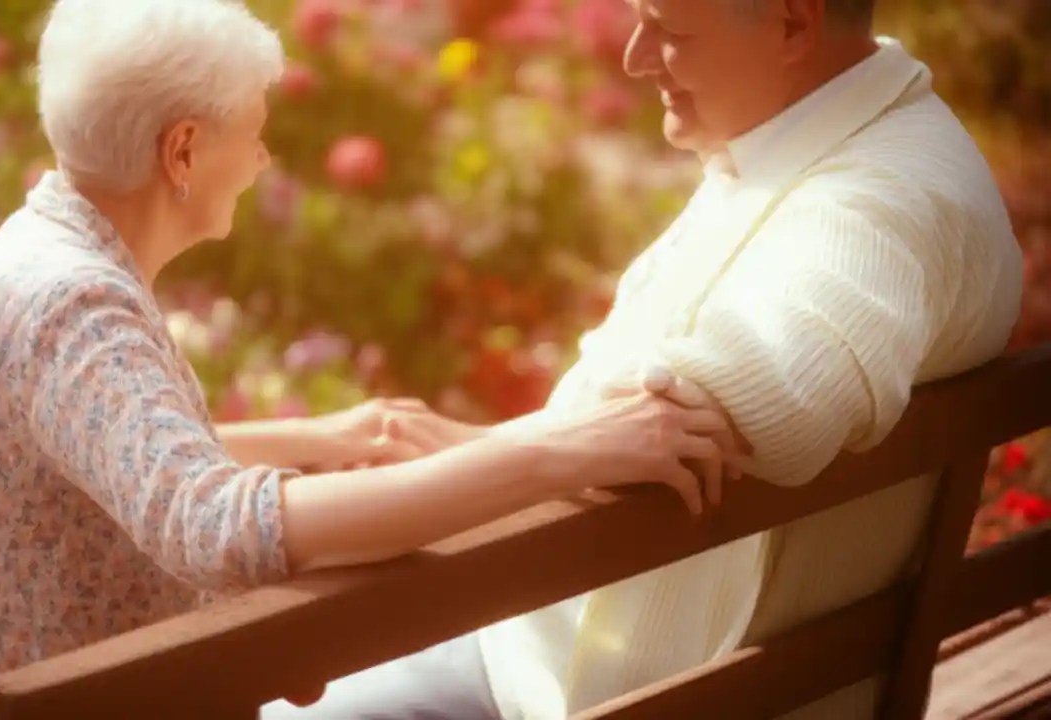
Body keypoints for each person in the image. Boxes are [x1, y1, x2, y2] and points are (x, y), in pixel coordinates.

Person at [0, 1, 745, 718]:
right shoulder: (71, 302)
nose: (261, 159)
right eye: (254, 134)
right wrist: (562, 449)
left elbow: (117, 456)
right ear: (182, 151)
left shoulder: (42, 253)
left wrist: (321, 437)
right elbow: (213, 525)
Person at [261, 0, 1025, 718]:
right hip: (552, 645)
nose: (634, 57)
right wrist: (498, 446)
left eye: (668, 29)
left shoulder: (878, 202)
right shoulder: (815, 142)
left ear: (794, 22)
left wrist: (504, 454)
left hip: (595, 689)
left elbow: (740, 396)